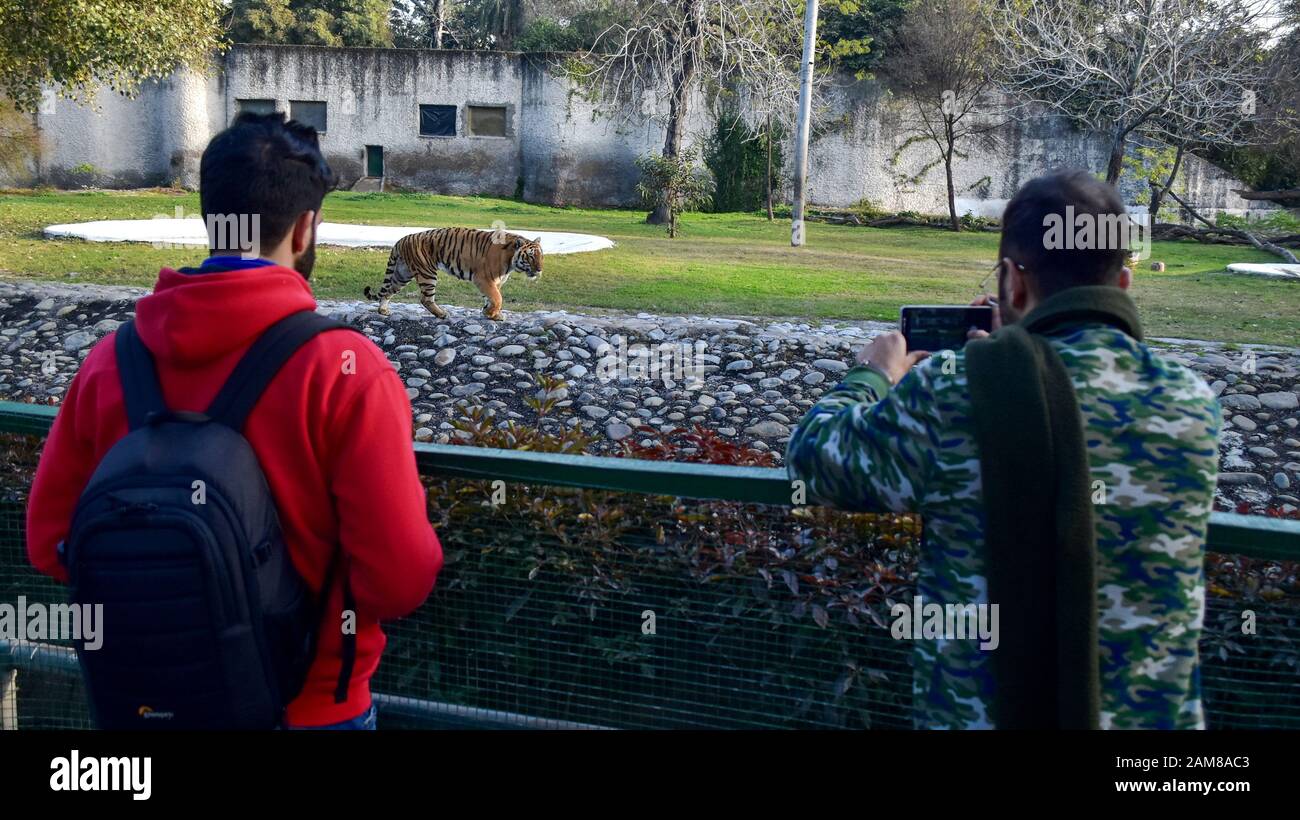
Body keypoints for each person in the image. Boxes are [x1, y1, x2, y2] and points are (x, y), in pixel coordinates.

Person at [26, 112, 443, 729]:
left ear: (210, 217)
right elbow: (398, 580)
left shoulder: (109, 363)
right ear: (305, 229)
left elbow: (48, 542)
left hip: (149, 704)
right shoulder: (346, 370)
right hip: (312, 707)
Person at [786, 170, 1221, 729]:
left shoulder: (956, 389)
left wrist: (873, 374)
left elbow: (813, 458)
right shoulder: (1192, 403)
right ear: (1124, 284)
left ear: (1013, 283)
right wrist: (1011, 358)